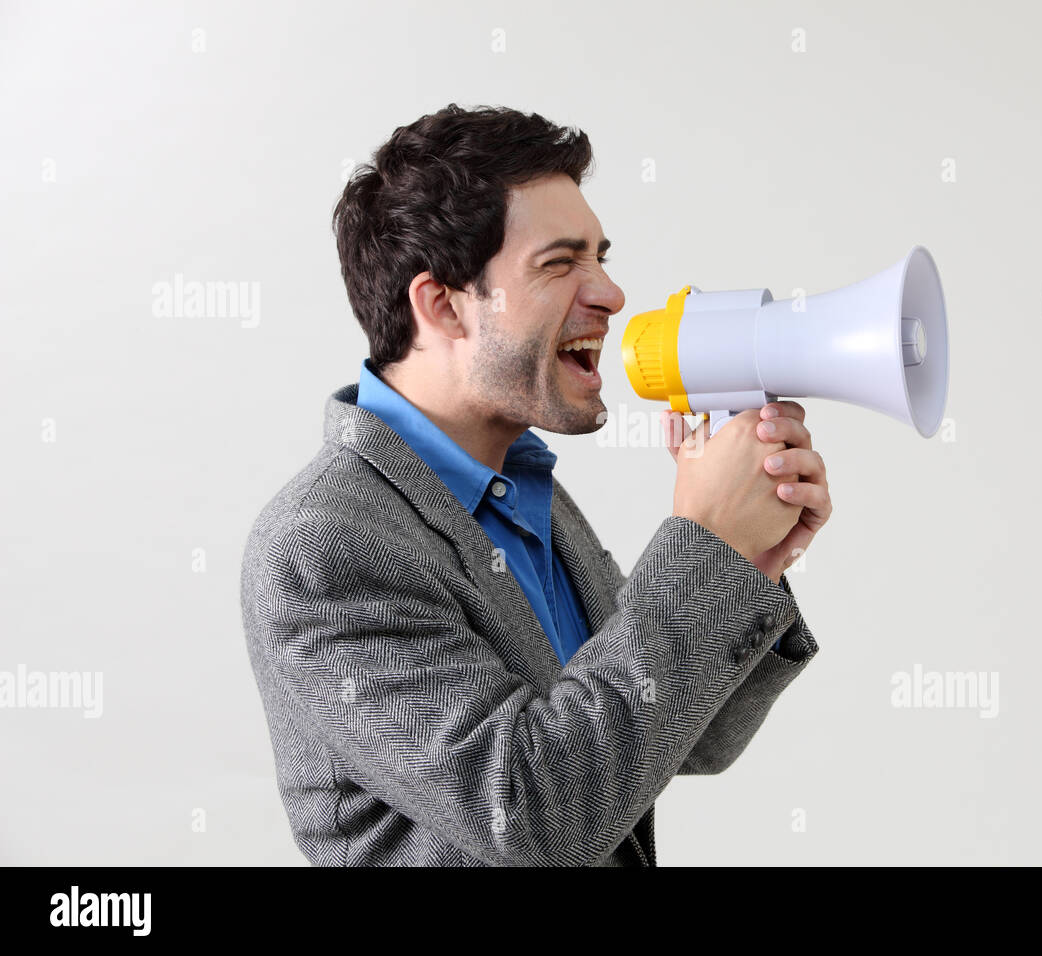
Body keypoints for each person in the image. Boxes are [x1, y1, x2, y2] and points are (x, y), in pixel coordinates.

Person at [240, 104, 833, 866]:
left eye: (602, 257)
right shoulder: (325, 545)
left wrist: (746, 566)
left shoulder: (522, 490)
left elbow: (677, 739)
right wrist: (706, 548)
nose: (613, 295)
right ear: (443, 305)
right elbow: (530, 813)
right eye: (561, 263)